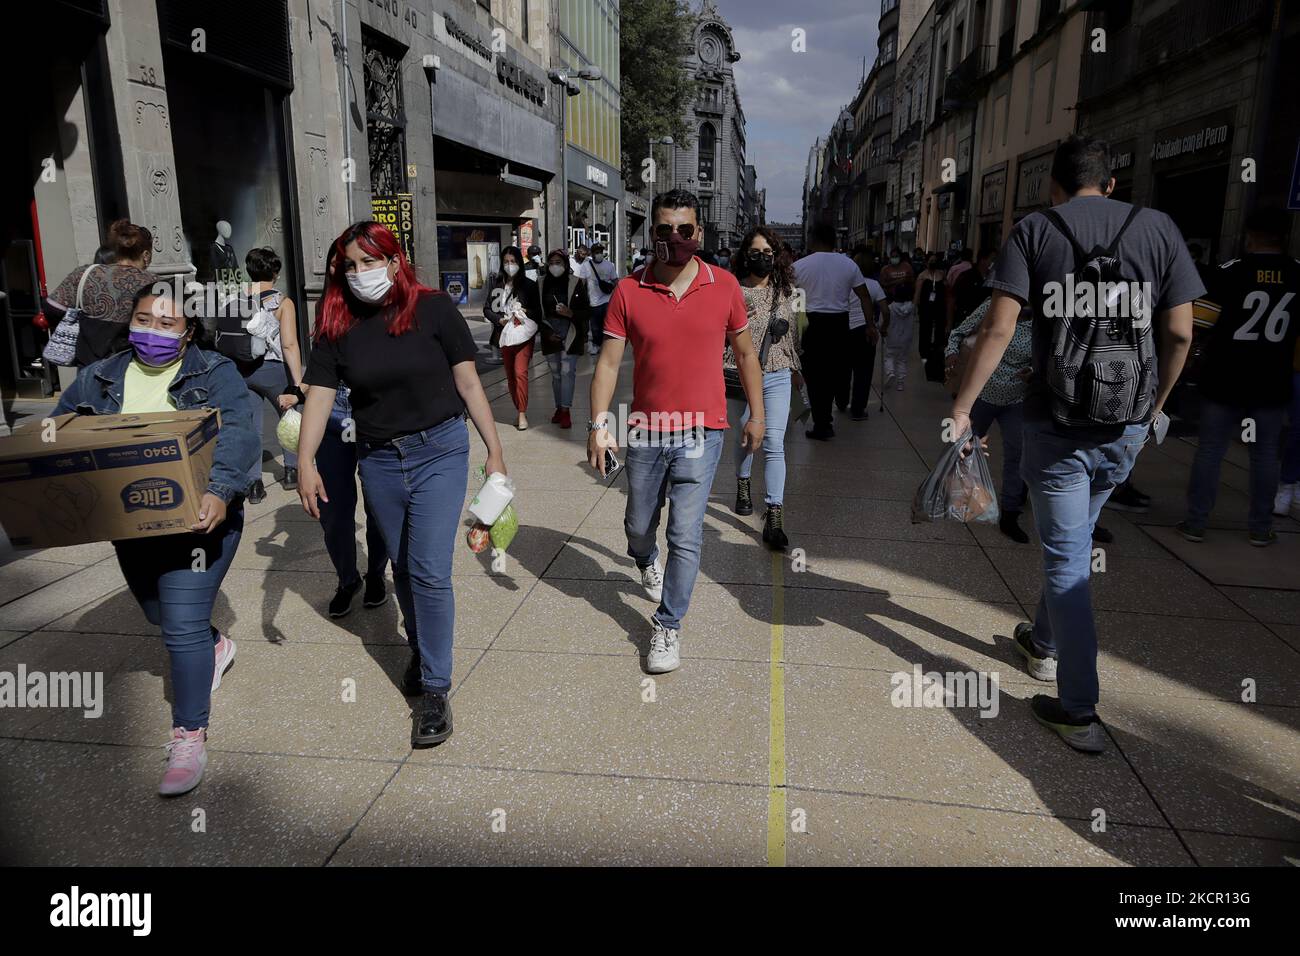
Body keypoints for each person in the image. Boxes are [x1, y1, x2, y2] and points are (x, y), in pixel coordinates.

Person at [951, 135, 1199, 753]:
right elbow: (1179, 334)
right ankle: (1042, 642)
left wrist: (962, 409)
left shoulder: (1035, 232)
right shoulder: (1160, 230)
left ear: (1052, 186)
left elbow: (999, 327)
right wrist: (1153, 411)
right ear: (1111, 184)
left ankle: (1077, 709)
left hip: (1055, 424)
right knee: (1075, 542)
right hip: (1125, 426)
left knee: (1067, 563)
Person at [297, 221, 507, 747]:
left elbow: (466, 380)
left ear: (395, 262)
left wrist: (495, 449)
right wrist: (305, 461)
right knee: (404, 567)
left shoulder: (434, 309)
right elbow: (320, 396)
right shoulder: (335, 325)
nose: (361, 273)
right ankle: (421, 645)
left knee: (430, 569)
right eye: (351, 265)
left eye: (371, 262)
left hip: (440, 449)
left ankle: (436, 688)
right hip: (379, 460)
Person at [53, 285, 258, 795]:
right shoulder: (99, 376)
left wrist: (221, 490)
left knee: (180, 626)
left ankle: (189, 736)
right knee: (156, 612)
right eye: (144, 320)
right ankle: (217, 643)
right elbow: (59, 427)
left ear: (188, 330)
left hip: (200, 523)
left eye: (167, 324)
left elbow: (238, 429)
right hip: (135, 526)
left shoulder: (214, 371)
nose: (153, 331)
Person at [589, 189, 764, 674]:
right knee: (638, 524)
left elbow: (747, 354)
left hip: (702, 432)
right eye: (663, 230)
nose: (674, 238)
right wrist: (598, 424)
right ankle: (644, 557)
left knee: (686, 535)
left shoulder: (725, 285)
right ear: (652, 232)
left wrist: (758, 414)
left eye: (684, 230)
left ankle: (668, 624)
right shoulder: (629, 290)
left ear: (698, 233)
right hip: (646, 428)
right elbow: (607, 364)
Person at [1179, 205, 1300, 547]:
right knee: (1264, 455)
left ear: (1249, 235)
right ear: (1285, 236)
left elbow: (1199, 323)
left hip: (1226, 376)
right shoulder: (1297, 274)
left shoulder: (1230, 272)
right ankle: (1260, 527)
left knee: (1211, 450)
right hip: (1272, 379)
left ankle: (1196, 522)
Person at [728, 227, 801, 548]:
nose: (762, 258)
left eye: (768, 253)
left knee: (773, 442)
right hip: (740, 374)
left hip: (777, 372)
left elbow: (794, 333)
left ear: (777, 257)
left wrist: (797, 367)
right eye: (755, 252)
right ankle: (743, 484)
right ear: (745, 255)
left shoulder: (787, 291)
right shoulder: (732, 290)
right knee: (746, 434)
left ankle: (774, 516)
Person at [946, 298, 1032, 542]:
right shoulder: (996, 304)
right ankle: (956, 495)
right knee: (962, 448)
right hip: (981, 394)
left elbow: (1055, 354)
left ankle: (1010, 512)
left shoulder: (1048, 313)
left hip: (1016, 398)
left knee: (1018, 454)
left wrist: (1035, 372)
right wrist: (951, 355)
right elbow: (958, 333)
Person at [793, 221, 878, 440]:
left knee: (813, 373)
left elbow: (791, 300)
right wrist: (870, 325)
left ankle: (822, 422)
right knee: (834, 369)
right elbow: (865, 296)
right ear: (834, 241)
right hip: (840, 323)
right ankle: (831, 408)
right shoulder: (848, 265)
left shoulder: (800, 265)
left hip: (811, 323)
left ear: (812, 239)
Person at [239, 247, 304, 500]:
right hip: (273, 369)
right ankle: (290, 471)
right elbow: (289, 344)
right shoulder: (282, 302)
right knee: (289, 416)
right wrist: (297, 382)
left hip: (243, 369)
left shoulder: (236, 299)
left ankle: (254, 485)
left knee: (252, 426)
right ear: (275, 272)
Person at [45, 219, 156, 365]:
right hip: (135, 366)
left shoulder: (85, 273)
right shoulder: (154, 282)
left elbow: (52, 309)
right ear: (146, 255)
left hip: (90, 366)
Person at [483, 246, 541, 430]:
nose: (510, 265)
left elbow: (538, 313)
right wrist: (499, 319)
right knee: (510, 376)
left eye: (513, 262)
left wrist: (524, 311)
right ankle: (518, 408)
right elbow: (487, 309)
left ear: (519, 263)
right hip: (504, 335)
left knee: (520, 372)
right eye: (506, 262)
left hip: (523, 334)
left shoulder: (529, 285)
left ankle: (522, 413)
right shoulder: (497, 285)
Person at [540, 247, 590, 429]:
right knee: (555, 375)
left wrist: (570, 313)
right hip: (549, 334)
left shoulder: (576, 283)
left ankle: (566, 410)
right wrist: (546, 332)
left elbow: (586, 311)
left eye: (558, 263)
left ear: (565, 264)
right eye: (551, 263)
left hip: (571, 334)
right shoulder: (541, 283)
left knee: (567, 372)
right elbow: (538, 313)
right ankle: (559, 408)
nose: (555, 267)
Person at [842, 250, 888, 420]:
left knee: (844, 369)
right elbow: (885, 310)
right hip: (865, 330)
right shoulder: (874, 285)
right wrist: (883, 327)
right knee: (864, 372)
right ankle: (858, 409)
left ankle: (841, 400)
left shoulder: (846, 284)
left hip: (846, 330)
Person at [914, 252, 949, 381]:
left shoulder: (941, 274)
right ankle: (924, 352)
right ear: (926, 262)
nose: (933, 262)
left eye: (935, 260)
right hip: (926, 307)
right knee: (925, 330)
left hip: (939, 307)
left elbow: (946, 288)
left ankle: (937, 351)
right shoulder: (922, 276)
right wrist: (915, 306)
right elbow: (917, 293)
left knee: (939, 330)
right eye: (931, 260)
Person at [581, 241, 619, 354]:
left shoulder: (609, 265)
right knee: (595, 326)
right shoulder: (586, 266)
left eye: (600, 252)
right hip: (593, 301)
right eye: (596, 252)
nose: (599, 254)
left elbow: (615, 280)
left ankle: (606, 345)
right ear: (592, 254)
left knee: (607, 324)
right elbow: (581, 282)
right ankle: (597, 344)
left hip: (607, 300)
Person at [948, 247, 996, 333]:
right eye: (992, 259)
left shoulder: (992, 280)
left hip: (983, 325)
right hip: (965, 321)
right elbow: (952, 299)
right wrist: (949, 323)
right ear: (983, 260)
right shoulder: (966, 277)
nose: (993, 263)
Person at [881, 282, 915, 392]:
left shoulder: (889, 308)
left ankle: (890, 372)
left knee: (889, 356)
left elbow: (881, 322)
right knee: (902, 360)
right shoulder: (912, 308)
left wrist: (881, 329)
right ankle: (900, 383)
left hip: (892, 337)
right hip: (906, 339)